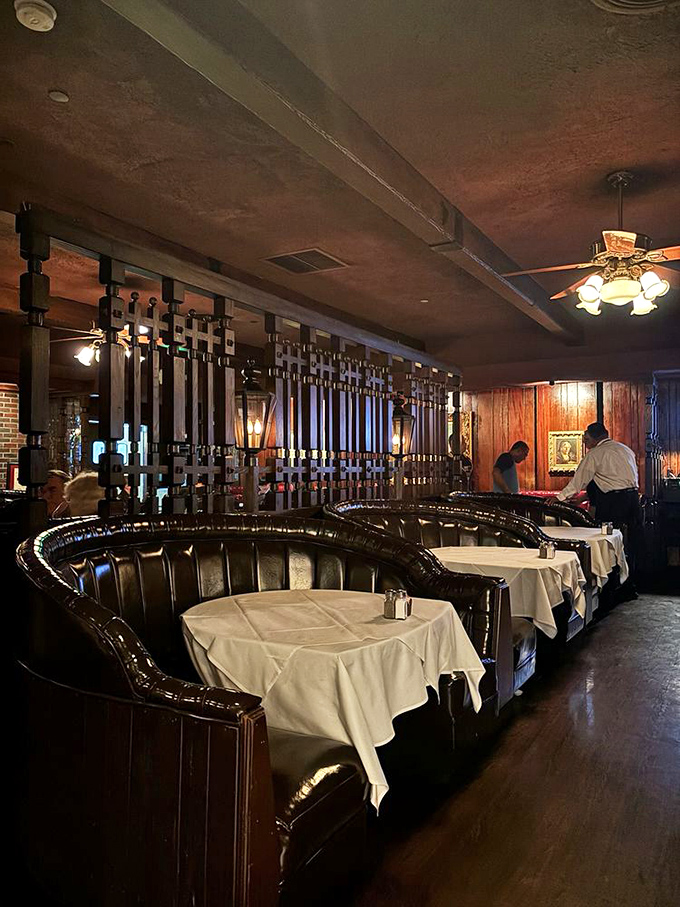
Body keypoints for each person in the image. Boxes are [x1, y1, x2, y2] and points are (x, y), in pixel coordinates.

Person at [554, 421, 643, 587]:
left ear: (595, 439)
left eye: (586, 439)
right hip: (633, 500)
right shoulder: (625, 449)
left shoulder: (595, 454)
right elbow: (621, 479)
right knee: (632, 542)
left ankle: (612, 587)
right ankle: (631, 585)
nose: (584, 443)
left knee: (609, 544)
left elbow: (577, 482)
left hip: (613, 503)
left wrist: (558, 499)